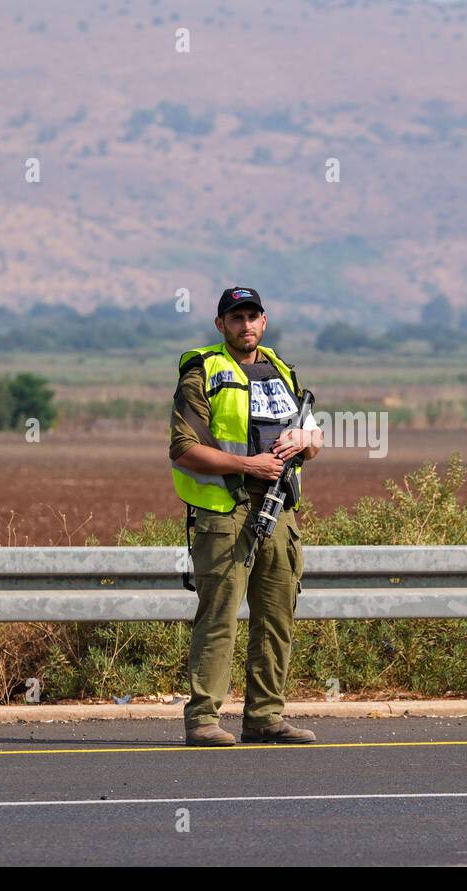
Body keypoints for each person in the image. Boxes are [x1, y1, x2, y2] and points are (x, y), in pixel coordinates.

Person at [169, 286, 324, 746]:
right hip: (225, 514)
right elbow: (183, 450)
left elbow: (314, 439)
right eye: (235, 318)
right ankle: (202, 720)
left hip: (280, 513)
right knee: (219, 616)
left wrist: (304, 443)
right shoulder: (202, 371)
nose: (245, 325)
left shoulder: (281, 370)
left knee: (277, 615)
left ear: (265, 321)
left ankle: (265, 717)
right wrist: (247, 465)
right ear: (221, 325)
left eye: (252, 316)